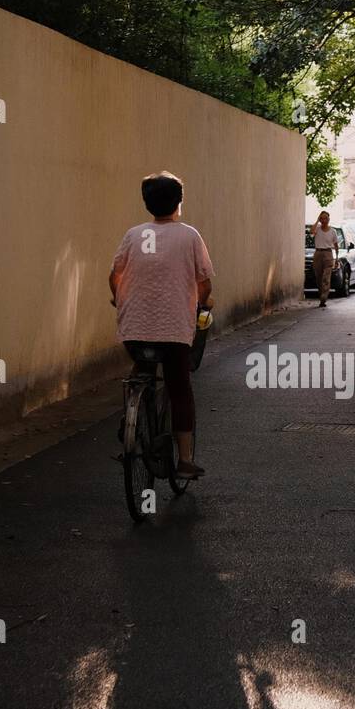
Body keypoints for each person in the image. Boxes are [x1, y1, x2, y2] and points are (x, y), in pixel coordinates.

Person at [109, 171, 213, 480]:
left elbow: (115, 276)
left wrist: (120, 300)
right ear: (179, 202)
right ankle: (184, 461)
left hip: (134, 330)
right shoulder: (189, 235)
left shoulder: (133, 235)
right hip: (174, 333)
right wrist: (201, 303)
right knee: (179, 387)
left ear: (146, 204)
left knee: (142, 366)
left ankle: (131, 419)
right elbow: (204, 283)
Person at [310, 210, 339, 307]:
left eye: (325, 218)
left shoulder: (333, 231)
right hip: (318, 253)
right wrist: (317, 220)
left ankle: (324, 297)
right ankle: (321, 294)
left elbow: (336, 245)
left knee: (326, 277)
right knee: (318, 277)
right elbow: (311, 232)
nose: (323, 220)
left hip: (328, 253)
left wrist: (337, 259)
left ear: (329, 219)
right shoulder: (317, 229)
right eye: (321, 218)